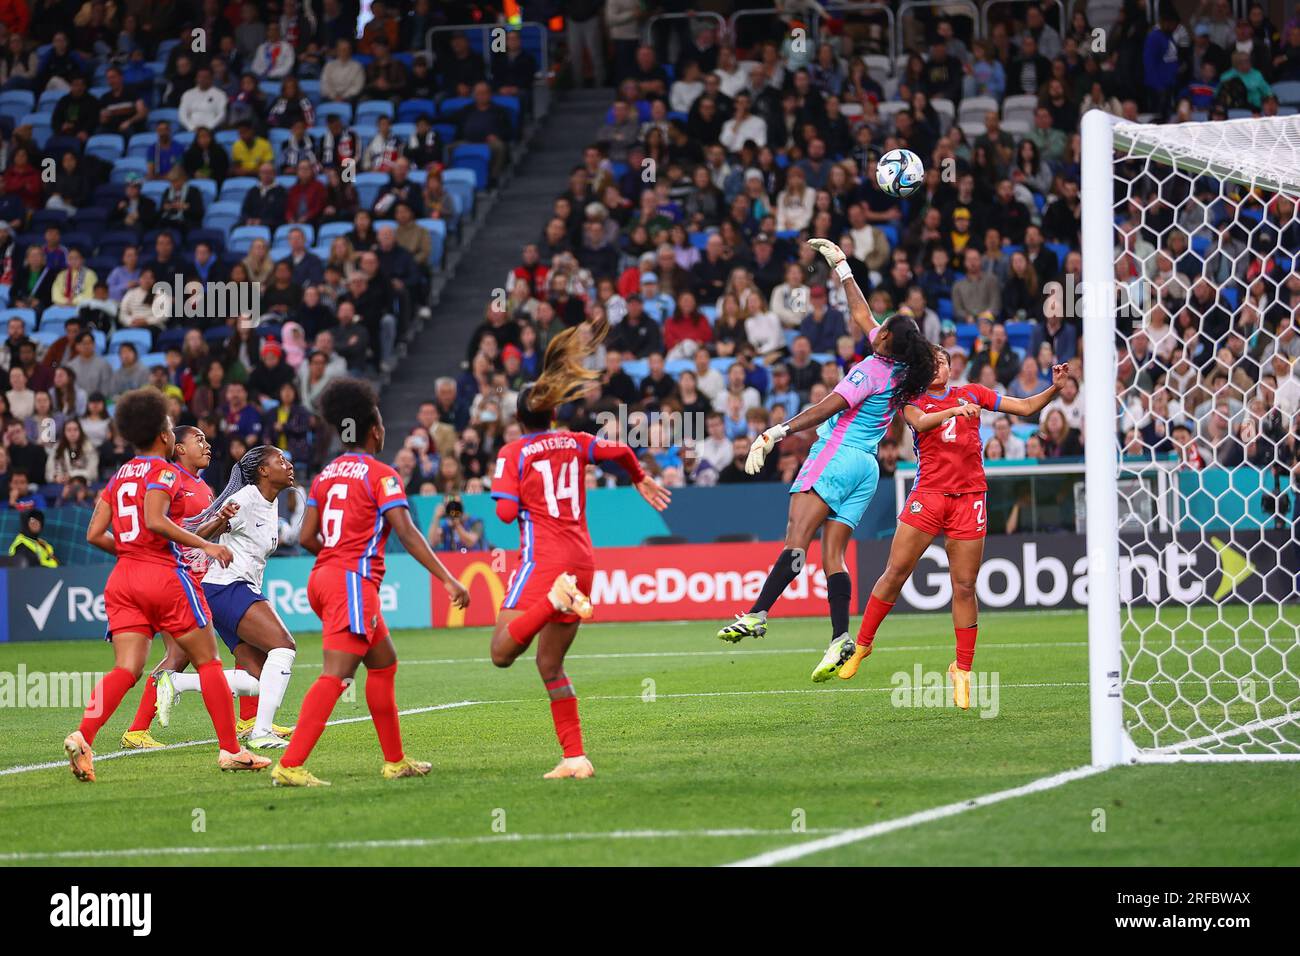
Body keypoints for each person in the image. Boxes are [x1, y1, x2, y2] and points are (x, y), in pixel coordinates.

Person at [718, 239, 936, 659]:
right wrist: (842, 268)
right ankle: (839, 638)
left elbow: (825, 408)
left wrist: (774, 433)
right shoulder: (903, 367)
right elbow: (860, 313)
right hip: (866, 469)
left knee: (795, 538)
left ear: (887, 338)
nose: (876, 328)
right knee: (832, 554)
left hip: (836, 455)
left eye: (882, 327)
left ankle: (758, 612)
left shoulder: (871, 368)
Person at [830, 350, 1068, 706]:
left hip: (969, 498)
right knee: (895, 572)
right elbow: (922, 422)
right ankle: (863, 645)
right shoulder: (911, 399)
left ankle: (963, 669)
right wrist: (955, 412)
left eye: (944, 360)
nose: (942, 365)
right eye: (934, 361)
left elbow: (1024, 407)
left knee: (965, 586)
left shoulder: (973, 392)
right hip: (928, 495)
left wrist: (1054, 389)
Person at [489, 322, 671, 779]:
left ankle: (553, 599)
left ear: (518, 420)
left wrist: (507, 494)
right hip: (583, 562)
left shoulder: (514, 453)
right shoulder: (577, 441)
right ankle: (575, 757)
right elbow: (621, 452)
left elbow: (507, 516)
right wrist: (639, 478)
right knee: (550, 663)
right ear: (551, 414)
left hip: (544, 561)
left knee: (501, 653)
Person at [272, 378, 470, 786]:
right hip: (350, 583)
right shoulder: (382, 474)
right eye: (380, 423)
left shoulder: (327, 474)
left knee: (383, 663)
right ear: (374, 429)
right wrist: (449, 580)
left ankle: (395, 761)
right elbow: (409, 533)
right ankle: (290, 765)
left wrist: (335, 556)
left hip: (324, 577)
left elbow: (306, 536)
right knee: (336, 675)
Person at [68, 390, 270, 782]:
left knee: (126, 668)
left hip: (123, 578)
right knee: (209, 660)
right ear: (164, 435)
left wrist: (129, 549)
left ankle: (83, 734)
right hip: (162, 574)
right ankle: (231, 750)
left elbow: (94, 534)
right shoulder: (162, 472)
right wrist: (206, 543)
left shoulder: (119, 475)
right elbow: (157, 521)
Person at [157, 446, 301, 750]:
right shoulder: (245, 499)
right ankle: (261, 732)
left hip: (235, 588)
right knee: (284, 646)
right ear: (263, 470)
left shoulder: (271, 501)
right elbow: (205, 535)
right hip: (227, 587)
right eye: (281, 461)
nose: (289, 466)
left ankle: (177, 682)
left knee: (259, 679)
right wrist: (221, 518)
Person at [117, 426, 244, 750]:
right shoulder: (169, 480)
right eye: (198, 440)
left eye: (206, 439)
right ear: (179, 449)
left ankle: (248, 721)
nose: (206, 444)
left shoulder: (202, 486)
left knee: (191, 653)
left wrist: (221, 519)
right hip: (177, 579)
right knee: (183, 654)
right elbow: (170, 529)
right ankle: (137, 729)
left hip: (199, 578)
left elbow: (201, 532)